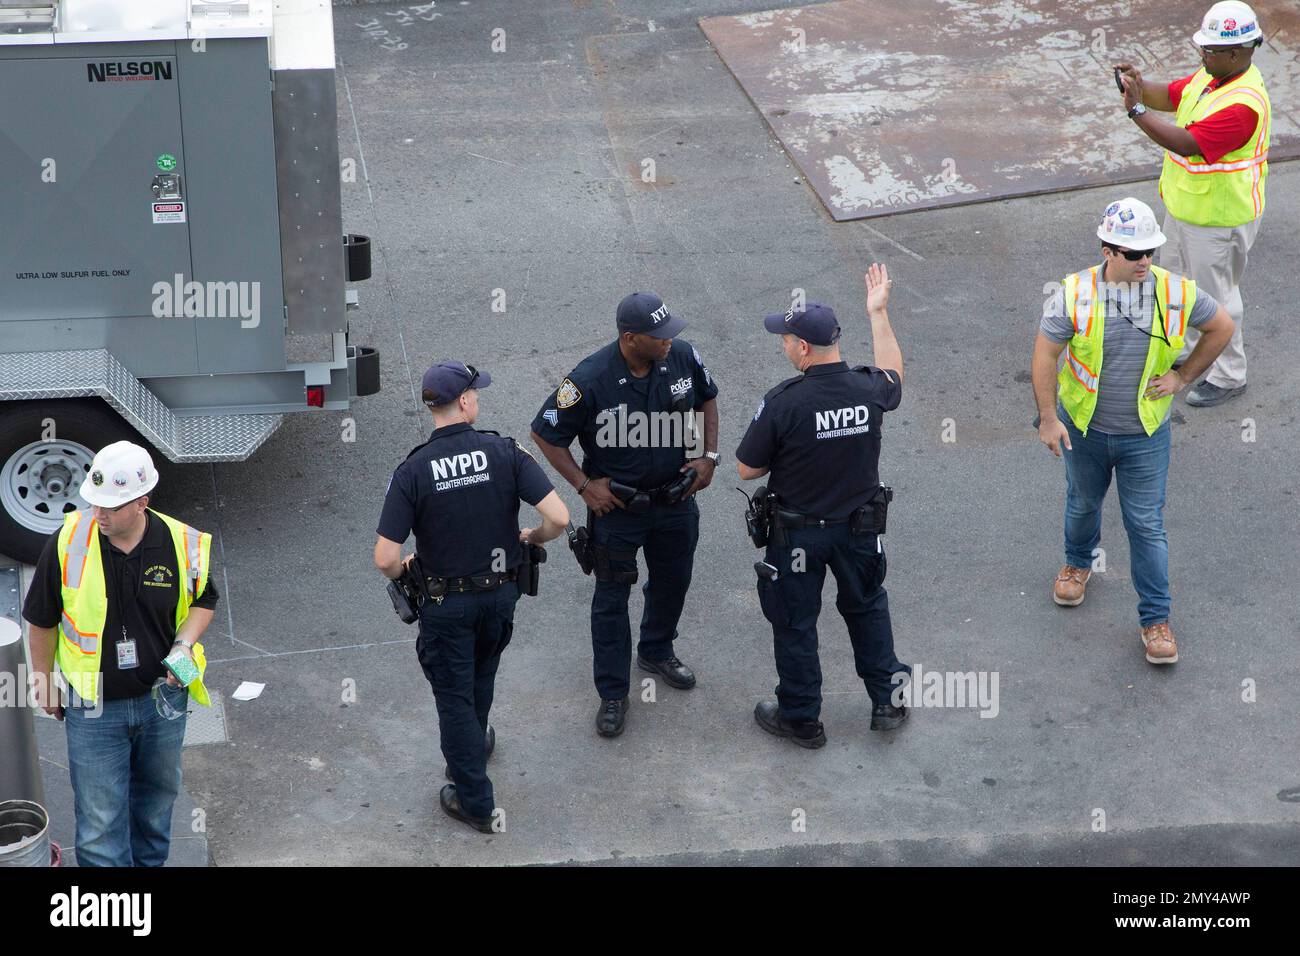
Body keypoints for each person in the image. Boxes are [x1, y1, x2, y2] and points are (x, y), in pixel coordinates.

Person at [1032, 197, 1235, 665]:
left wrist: (1184, 378)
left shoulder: (1176, 291)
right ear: (1108, 251)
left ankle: (1156, 621)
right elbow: (1045, 355)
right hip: (1085, 428)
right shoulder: (1074, 293)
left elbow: (1221, 327)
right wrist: (1047, 418)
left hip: (1146, 434)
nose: (1145, 261)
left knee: (1146, 524)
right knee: (1082, 502)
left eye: (1151, 252)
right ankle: (1078, 563)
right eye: (1134, 253)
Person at [376, 361, 569, 833]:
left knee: (453, 696)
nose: (479, 400)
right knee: (481, 676)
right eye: (476, 394)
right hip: (500, 596)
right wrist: (532, 538)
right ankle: (472, 753)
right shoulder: (504, 453)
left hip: (445, 606)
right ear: (463, 402)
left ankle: (474, 800)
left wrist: (407, 571)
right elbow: (560, 518)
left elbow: (385, 557)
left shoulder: (413, 470)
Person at [735, 265, 910, 749]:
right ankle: (888, 703)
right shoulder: (867, 388)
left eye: (786, 339)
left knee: (794, 622)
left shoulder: (783, 403)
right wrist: (879, 313)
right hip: (860, 530)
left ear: (804, 348)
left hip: (797, 538)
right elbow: (895, 372)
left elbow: (746, 470)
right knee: (868, 608)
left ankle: (802, 718)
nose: (783, 345)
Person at [530, 292, 719, 738]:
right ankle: (613, 693)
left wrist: (708, 456)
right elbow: (545, 433)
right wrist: (582, 485)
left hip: (675, 501)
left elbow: (707, 399)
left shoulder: (683, 357)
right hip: (618, 510)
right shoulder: (589, 378)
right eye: (660, 336)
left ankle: (656, 649)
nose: (671, 340)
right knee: (612, 600)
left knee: (674, 581)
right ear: (630, 339)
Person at [25, 440, 218, 867]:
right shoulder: (68, 542)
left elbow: (205, 598)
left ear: (142, 503)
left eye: (111, 507)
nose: (100, 515)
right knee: (99, 825)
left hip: (161, 702)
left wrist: (183, 645)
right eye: (95, 504)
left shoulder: (182, 543)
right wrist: (41, 683)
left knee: (155, 806)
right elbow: (41, 620)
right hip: (93, 707)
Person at [1114, 1, 1270, 407]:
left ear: (1237, 52)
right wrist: (1136, 85)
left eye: (1210, 49)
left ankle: (1228, 374)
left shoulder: (1242, 106)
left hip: (1219, 218)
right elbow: (1171, 94)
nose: (1202, 54)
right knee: (1178, 287)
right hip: (1188, 210)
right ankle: (1184, 353)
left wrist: (1136, 110)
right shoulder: (1213, 76)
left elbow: (1186, 143)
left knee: (1217, 298)